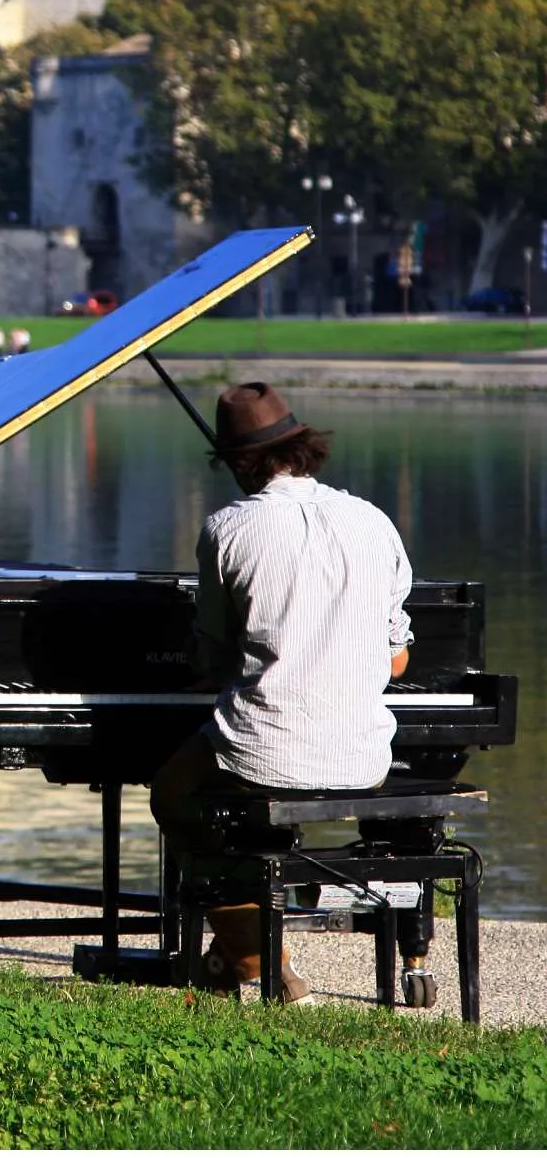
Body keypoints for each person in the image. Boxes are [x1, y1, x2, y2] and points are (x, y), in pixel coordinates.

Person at [151, 383, 413, 1004]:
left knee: (173, 795)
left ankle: (256, 959)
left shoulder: (228, 529)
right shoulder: (373, 520)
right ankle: (239, 953)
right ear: (303, 446)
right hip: (365, 756)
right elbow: (398, 660)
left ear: (239, 464)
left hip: (263, 750)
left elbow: (214, 659)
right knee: (241, 797)